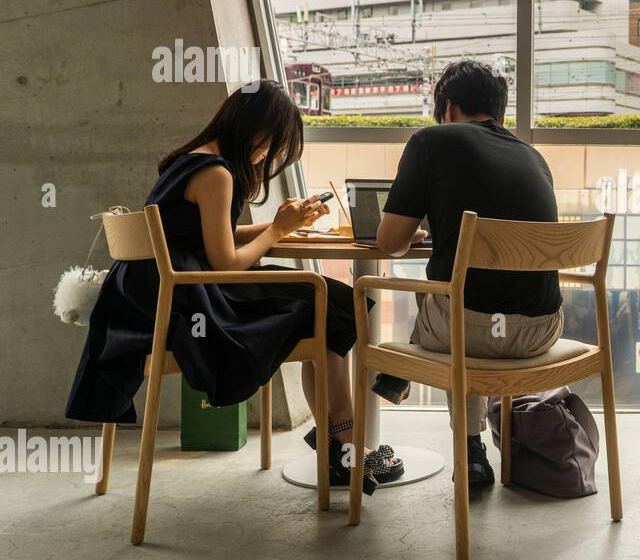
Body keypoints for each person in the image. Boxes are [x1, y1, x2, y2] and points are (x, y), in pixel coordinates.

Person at [66, 81, 400, 492]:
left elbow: (212, 238)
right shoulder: (217, 173)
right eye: (272, 145)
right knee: (333, 302)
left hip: (155, 297)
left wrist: (282, 225)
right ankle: (346, 445)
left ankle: (339, 445)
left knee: (330, 302)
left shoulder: (191, 160)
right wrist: (276, 231)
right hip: (195, 302)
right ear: (255, 129)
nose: (268, 155)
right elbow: (225, 264)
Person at [374, 60, 564, 487]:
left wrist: (420, 232)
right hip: (541, 329)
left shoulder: (430, 141)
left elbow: (389, 243)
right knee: (459, 298)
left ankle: (470, 447)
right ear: (499, 109)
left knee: (449, 300)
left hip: (468, 330)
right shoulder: (535, 157)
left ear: (450, 106)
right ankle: (410, 373)